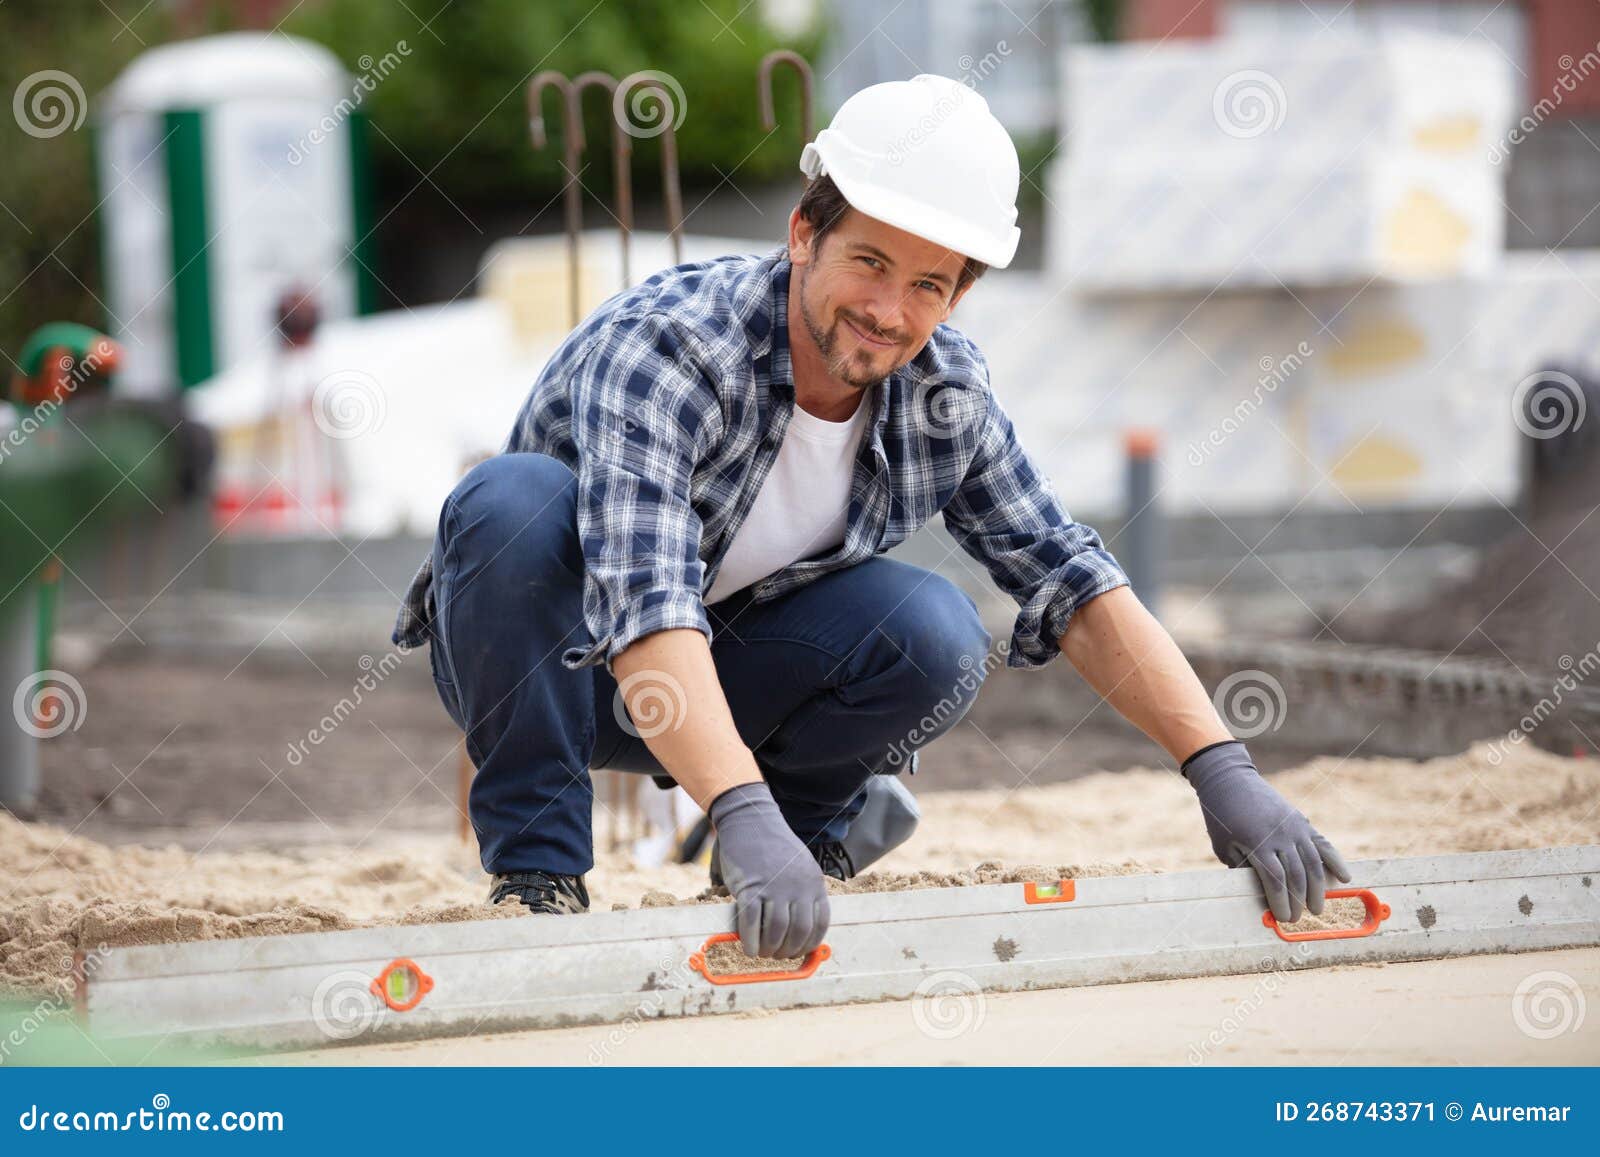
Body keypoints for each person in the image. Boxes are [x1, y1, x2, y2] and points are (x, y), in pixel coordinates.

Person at [392, 75, 1349, 961]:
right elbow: (646, 607)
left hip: (729, 679)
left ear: (960, 293)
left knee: (933, 629)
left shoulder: (943, 395)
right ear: (805, 232)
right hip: (557, 669)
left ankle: (795, 851)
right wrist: (736, 803)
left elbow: (1071, 581)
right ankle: (539, 878)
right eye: (870, 262)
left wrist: (1221, 768)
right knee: (510, 502)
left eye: (929, 284)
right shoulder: (673, 347)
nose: (889, 311)